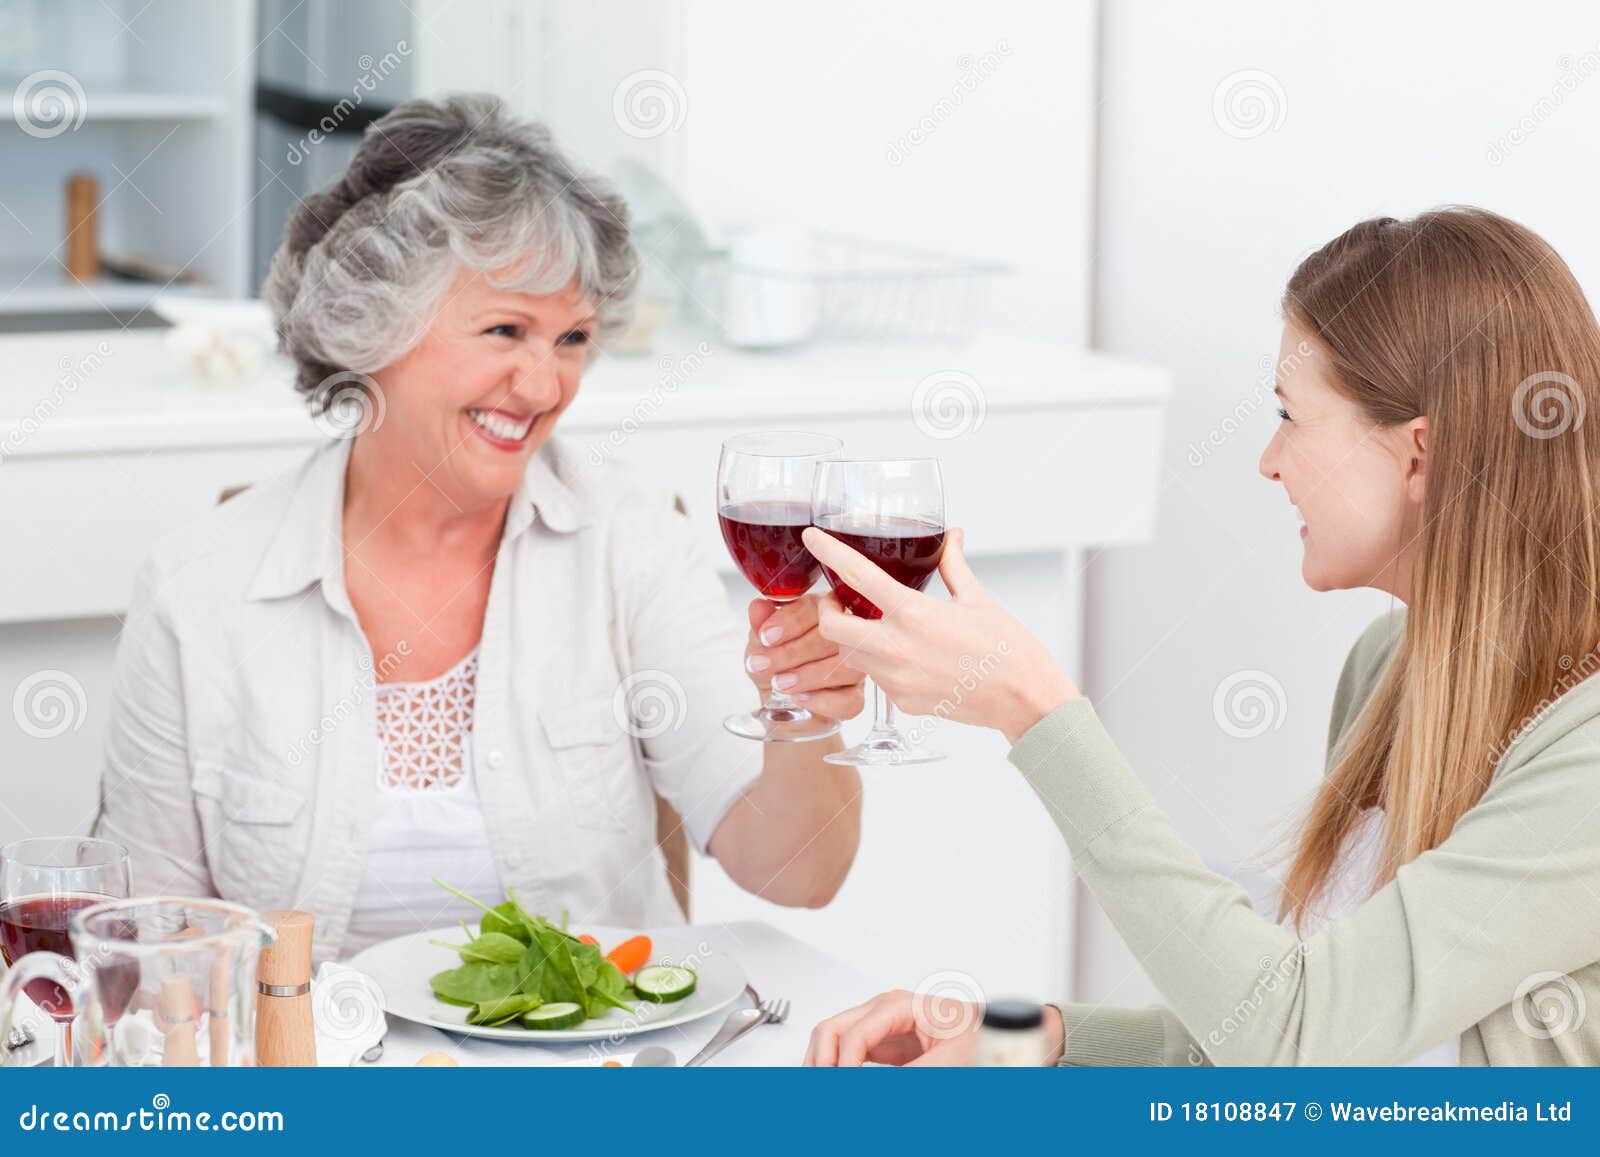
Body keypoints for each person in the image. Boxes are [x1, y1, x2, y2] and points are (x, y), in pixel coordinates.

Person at [803, 207, 1600, 1066]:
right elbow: (1277, 1023)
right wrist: (1020, 1041)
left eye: (1291, 415)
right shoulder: (1386, 667)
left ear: (1417, 457)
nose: (1268, 459)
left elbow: (1292, 1035)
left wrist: (1036, 711)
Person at [93, 96, 864, 962]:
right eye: (506, 330)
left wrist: (806, 708)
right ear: (372, 328)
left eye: (572, 338)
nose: (542, 387)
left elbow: (799, 873)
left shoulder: (632, 541)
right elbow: (142, 948)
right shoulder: (199, 586)